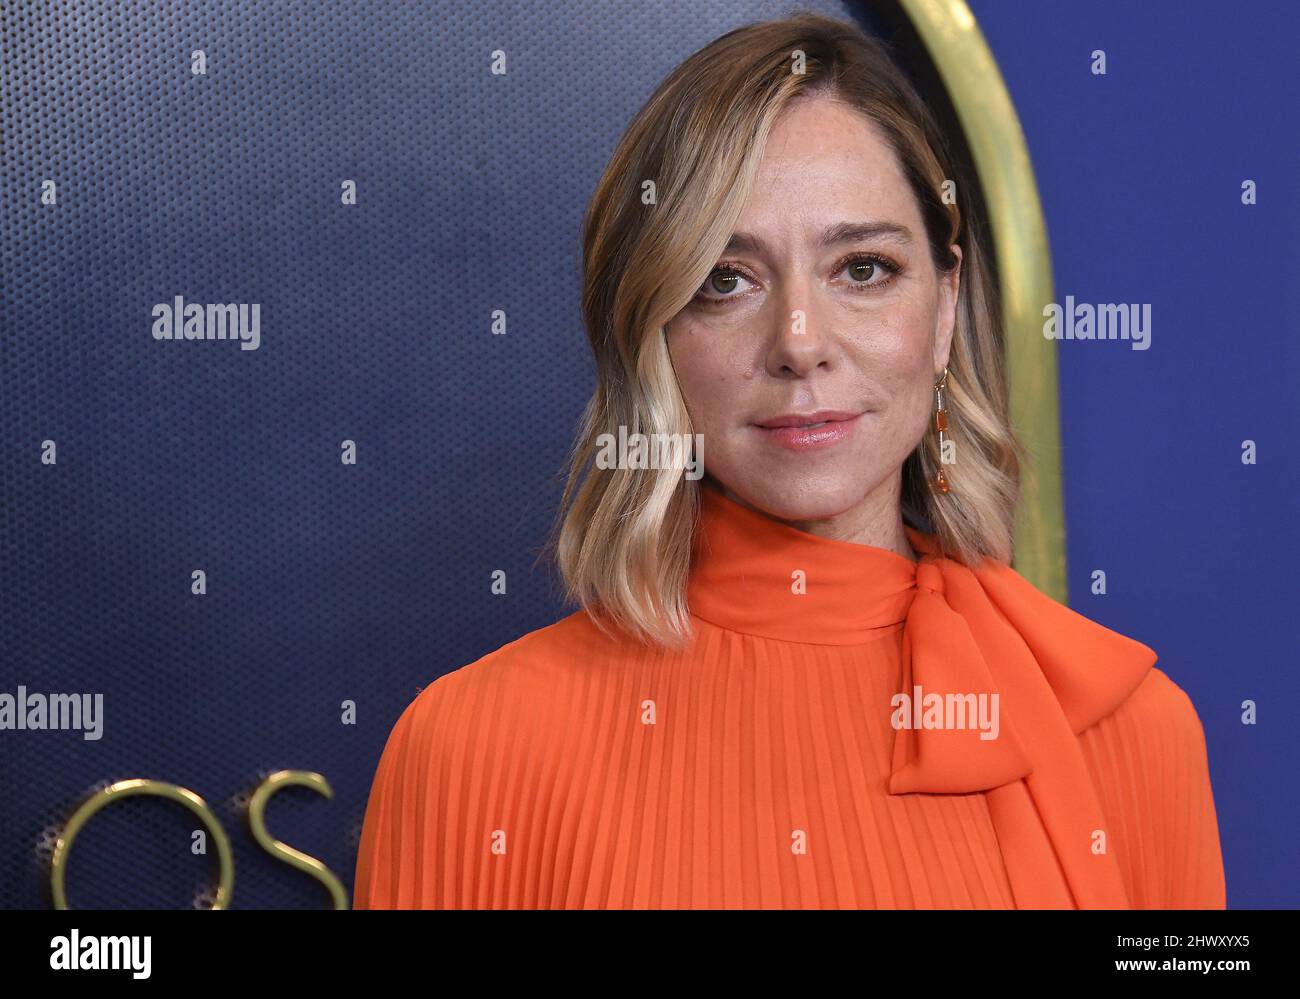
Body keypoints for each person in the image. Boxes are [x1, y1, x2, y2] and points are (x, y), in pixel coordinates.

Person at [354, 12, 1225, 908]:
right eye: (725, 280)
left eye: (864, 268)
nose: (799, 343)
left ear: (946, 305)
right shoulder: (470, 747)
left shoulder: (1133, 728)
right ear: (653, 331)